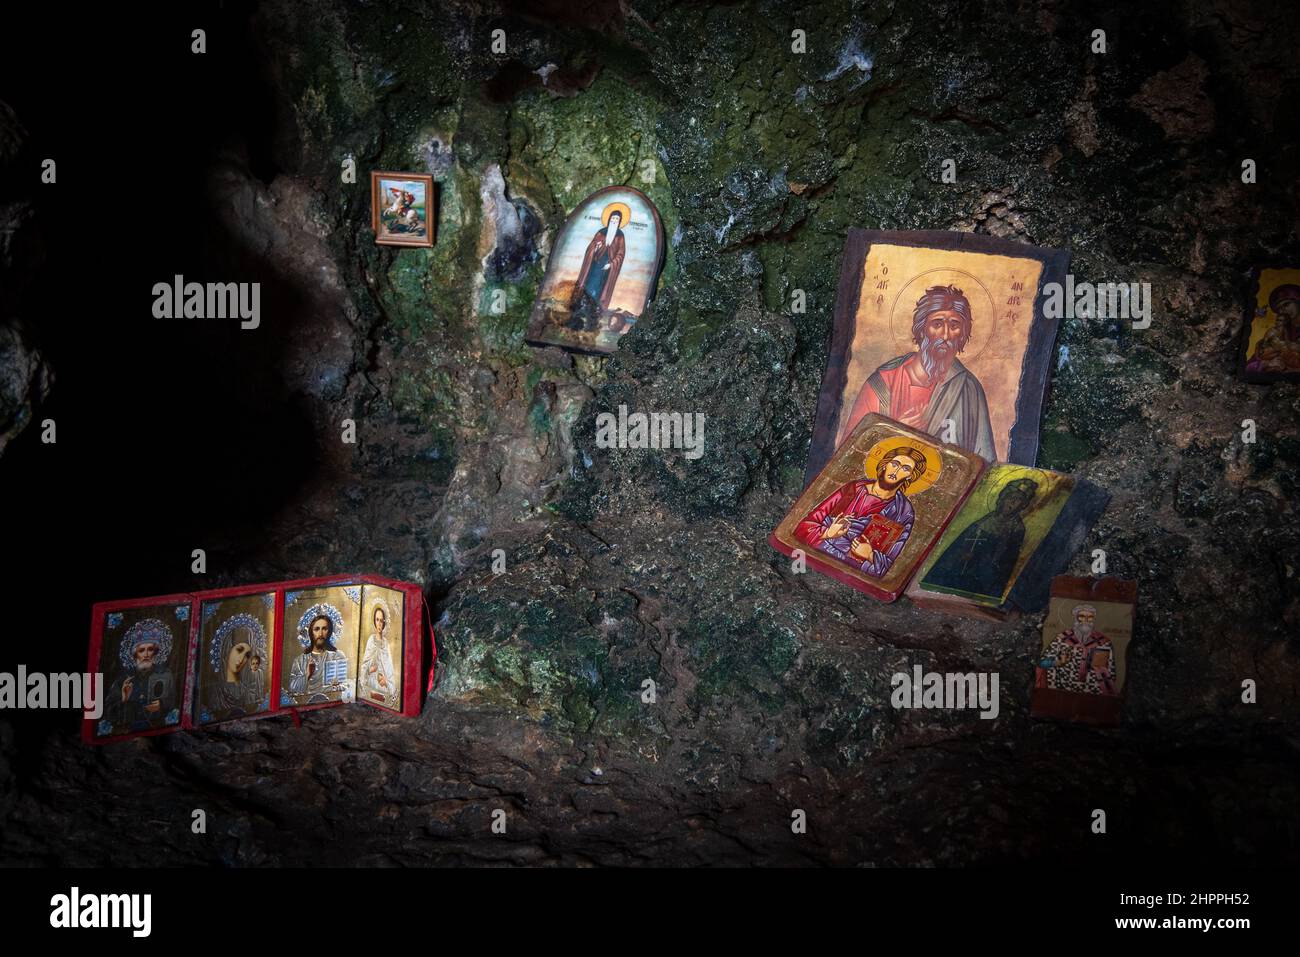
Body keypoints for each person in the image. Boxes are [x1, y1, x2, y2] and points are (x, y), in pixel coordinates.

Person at [840, 285, 995, 459]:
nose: (945, 335)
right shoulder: (884, 383)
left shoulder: (969, 388)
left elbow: (984, 460)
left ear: (962, 334)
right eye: (937, 324)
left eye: (954, 325)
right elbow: (850, 452)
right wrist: (894, 432)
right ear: (921, 329)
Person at [795, 444, 928, 578]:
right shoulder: (853, 489)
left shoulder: (903, 511)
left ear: (910, 476)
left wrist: (870, 555)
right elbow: (803, 527)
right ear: (885, 464)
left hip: (855, 566)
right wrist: (827, 533)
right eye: (894, 464)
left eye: (905, 469)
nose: (896, 471)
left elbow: (887, 567)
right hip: (822, 546)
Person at [923, 477, 1039, 598]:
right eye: (1010, 497)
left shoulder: (1017, 529)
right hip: (961, 568)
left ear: (1023, 506)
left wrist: (982, 558)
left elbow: (1006, 561)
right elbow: (961, 543)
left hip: (984, 577)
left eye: (1018, 500)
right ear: (1003, 498)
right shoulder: (986, 519)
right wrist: (962, 553)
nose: (1012, 502)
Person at [107, 621, 175, 732]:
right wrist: (124, 699)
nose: (147, 654)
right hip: (127, 731)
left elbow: (173, 702)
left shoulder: (165, 674)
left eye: (150, 649)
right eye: (141, 650)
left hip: (157, 728)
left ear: (155, 652)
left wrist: (161, 705)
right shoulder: (124, 678)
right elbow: (109, 712)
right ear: (135, 654)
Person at [568, 204, 627, 331]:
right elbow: (592, 246)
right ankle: (578, 312)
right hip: (594, 266)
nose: (614, 221)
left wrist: (611, 264)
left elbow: (620, 254)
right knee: (588, 287)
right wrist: (596, 246)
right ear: (609, 219)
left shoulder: (620, 236)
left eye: (616, 220)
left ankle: (591, 316)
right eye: (612, 219)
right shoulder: (601, 232)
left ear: (620, 222)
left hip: (606, 270)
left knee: (598, 291)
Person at [1036, 604, 1117, 695]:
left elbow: (1110, 673)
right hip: (1060, 689)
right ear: (1075, 618)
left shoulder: (1103, 642)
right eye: (1081, 616)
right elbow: (1041, 663)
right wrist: (1057, 662)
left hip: (1092, 692)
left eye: (1090, 617)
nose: (1086, 620)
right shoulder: (1062, 639)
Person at [290, 609, 350, 702]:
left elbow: (346, 686)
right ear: (310, 632)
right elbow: (293, 689)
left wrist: (335, 686)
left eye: (324, 629)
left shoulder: (337, 656)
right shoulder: (300, 660)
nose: (320, 634)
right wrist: (307, 675)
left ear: (329, 632)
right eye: (316, 629)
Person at [360, 601, 396, 705]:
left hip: (382, 682)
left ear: (384, 622)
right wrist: (370, 670)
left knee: (385, 695)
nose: (379, 623)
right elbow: (365, 663)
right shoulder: (371, 640)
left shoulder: (385, 643)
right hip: (371, 679)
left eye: (381, 620)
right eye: (377, 620)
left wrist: (387, 681)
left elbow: (389, 666)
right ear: (374, 621)